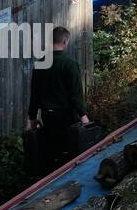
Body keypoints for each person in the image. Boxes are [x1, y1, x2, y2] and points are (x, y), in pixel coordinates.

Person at [28, 26, 90, 173]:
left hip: (47, 116)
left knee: (52, 152)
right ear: (65, 41)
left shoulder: (40, 64)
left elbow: (34, 94)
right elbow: (76, 95)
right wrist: (84, 116)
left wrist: (32, 117)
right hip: (66, 117)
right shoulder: (70, 64)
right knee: (70, 153)